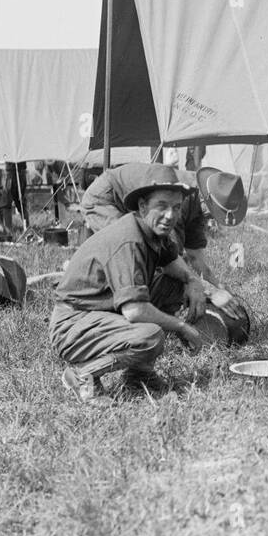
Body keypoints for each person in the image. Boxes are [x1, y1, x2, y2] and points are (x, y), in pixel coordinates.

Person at [49, 168, 205, 407]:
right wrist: (182, 327)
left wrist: (193, 281)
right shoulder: (129, 240)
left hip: (100, 315)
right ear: (142, 206)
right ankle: (83, 375)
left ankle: (138, 374)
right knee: (151, 336)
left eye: (176, 207)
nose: (170, 215)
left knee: (174, 284)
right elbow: (135, 311)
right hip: (72, 326)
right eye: (161, 206)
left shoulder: (152, 231)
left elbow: (176, 265)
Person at [80, 161, 246, 322]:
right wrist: (209, 291)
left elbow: (195, 256)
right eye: (213, 212)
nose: (211, 219)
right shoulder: (179, 200)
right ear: (205, 200)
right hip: (105, 199)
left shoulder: (198, 204)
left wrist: (219, 286)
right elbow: (168, 256)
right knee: (132, 248)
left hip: (131, 203)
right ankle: (109, 302)